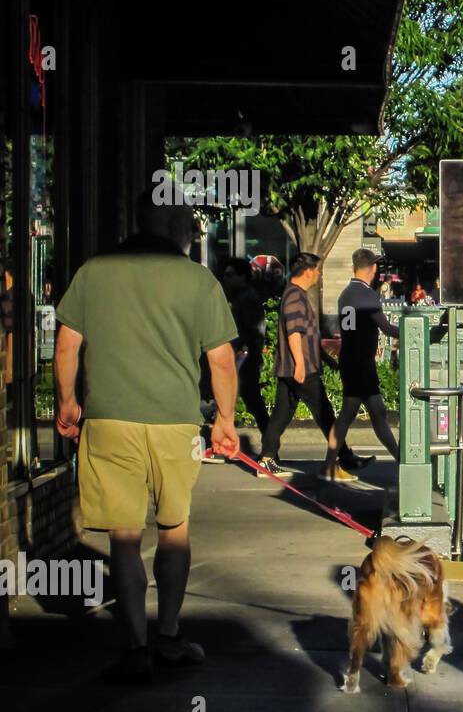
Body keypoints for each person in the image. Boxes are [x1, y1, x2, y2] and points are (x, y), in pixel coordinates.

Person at [54, 188, 239, 683]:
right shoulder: (197, 280)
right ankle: (170, 635)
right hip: (175, 422)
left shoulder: (94, 272)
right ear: (177, 224)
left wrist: (69, 402)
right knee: (174, 531)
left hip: (109, 418)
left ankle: (136, 645)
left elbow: (67, 345)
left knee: (124, 536)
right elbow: (220, 359)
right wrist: (225, 420)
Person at [257, 252, 366, 479]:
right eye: (317, 269)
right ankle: (340, 458)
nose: (319, 273)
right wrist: (300, 364)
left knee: (282, 414)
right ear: (308, 271)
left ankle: (267, 459)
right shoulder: (295, 296)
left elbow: (308, 335)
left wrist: (326, 359)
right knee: (324, 414)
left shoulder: (294, 294)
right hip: (301, 367)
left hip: (293, 366)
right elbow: (294, 332)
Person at [323, 249, 401, 480]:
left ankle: (400, 458)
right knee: (354, 414)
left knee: (375, 412)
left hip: (349, 360)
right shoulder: (368, 296)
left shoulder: (345, 294)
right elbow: (386, 328)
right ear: (373, 269)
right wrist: (413, 331)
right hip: (362, 364)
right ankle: (328, 466)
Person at [219, 257, 269, 437]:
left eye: (230, 275)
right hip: (245, 354)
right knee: (251, 399)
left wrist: (242, 349)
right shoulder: (242, 296)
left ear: (243, 276)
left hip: (244, 356)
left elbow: (252, 329)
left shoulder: (247, 298)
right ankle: (270, 445)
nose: (226, 279)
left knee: (243, 397)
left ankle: (270, 445)